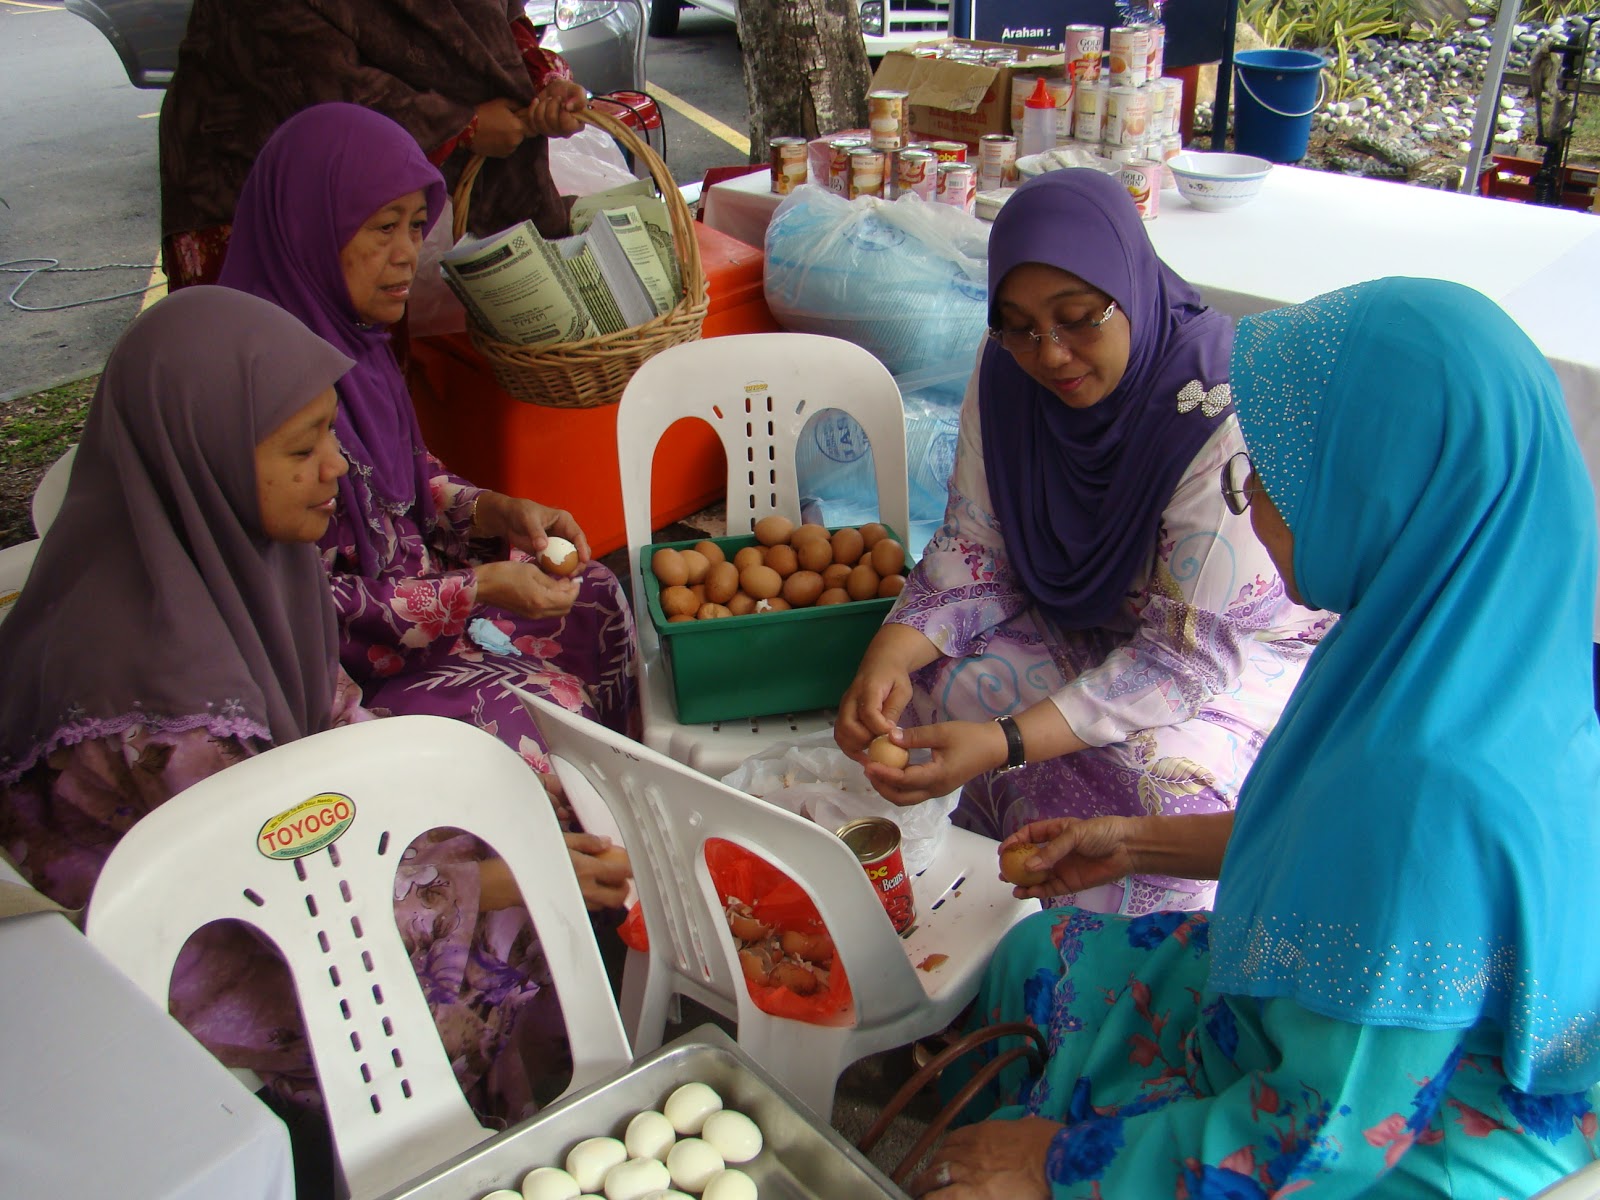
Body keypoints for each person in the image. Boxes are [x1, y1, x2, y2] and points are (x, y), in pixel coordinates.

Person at [906, 277, 1600, 1200]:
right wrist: (1137, 841)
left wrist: (1053, 1167)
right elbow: (1368, 868)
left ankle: (1004, 1135)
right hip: (1364, 1018)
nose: (1251, 508)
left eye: (1268, 477)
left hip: (1401, 1133)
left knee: (993, 1160)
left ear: (1380, 490)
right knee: (1040, 949)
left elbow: (1323, 1134)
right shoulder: (1473, 636)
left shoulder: (1427, 783)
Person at [0, 288, 628, 1153]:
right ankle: (453, 1152)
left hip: (273, 844)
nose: (338, 466)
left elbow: (338, 734)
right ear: (205, 459)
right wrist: (496, 876)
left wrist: (488, 832)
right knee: (503, 936)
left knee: (523, 833)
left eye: (331, 432)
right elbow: (282, 892)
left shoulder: (243, 558)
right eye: (304, 447)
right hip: (201, 937)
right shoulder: (157, 709)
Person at [836, 170, 1327, 916]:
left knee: (1151, 792)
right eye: (1022, 326)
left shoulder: (1213, 410)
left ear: (1128, 285)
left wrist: (1006, 742)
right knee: (926, 698)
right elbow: (978, 542)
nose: (1052, 354)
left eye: (1078, 319)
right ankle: (978, 916)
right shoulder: (1006, 371)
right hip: (1081, 614)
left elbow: (1189, 654)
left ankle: (1095, 974)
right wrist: (892, 650)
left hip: (1231, 651)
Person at [218, 103, 639, 792]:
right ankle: (556, 874)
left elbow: (407, 482)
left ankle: (623, 813)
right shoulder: (255, 386)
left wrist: (497, 510)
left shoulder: (360, 347)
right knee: (529, 728)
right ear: (309, 230)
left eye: (417, 226)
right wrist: (474, 590)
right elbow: (307, 605)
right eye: (383, 228)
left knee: (592, 594)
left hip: (423, 601)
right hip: (346, 671)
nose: (409, 254)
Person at [158, 0, 587, 288]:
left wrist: (542, 80)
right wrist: (464, 124)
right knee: (281, 391)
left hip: (367, 194)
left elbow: (502, 21)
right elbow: (317, 81)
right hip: (252, 180)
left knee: (368, 373)